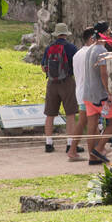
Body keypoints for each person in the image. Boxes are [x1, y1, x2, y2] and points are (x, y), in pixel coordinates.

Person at [81, 24, 112, 166]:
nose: (110, 36)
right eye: (109, 33)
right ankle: (98, 149)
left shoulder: (90, 48)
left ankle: (92, 157)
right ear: (104, 34)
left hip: (88, 95)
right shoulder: (101, 50)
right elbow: (103, 74)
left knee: (91, 127)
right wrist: (109, 93)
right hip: (100, 95)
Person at [41, 23, 81, 155]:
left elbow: (43, 67)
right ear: (66, 34)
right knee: (70, 114)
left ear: (56, 34)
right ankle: (70, 144)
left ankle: (48, 143)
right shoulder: (71, 48)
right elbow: (76, 65)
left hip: (52, 83)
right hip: (67, 82)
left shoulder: (49, 48)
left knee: (50, 114)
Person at [69, 26, 97, 157]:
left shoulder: (77, 54)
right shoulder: (92, 53)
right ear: (92, 38)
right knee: (92, 122)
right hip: (90, 92)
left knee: (83, 121)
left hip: (80, 91)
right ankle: (94, 151)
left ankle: (73, 149)